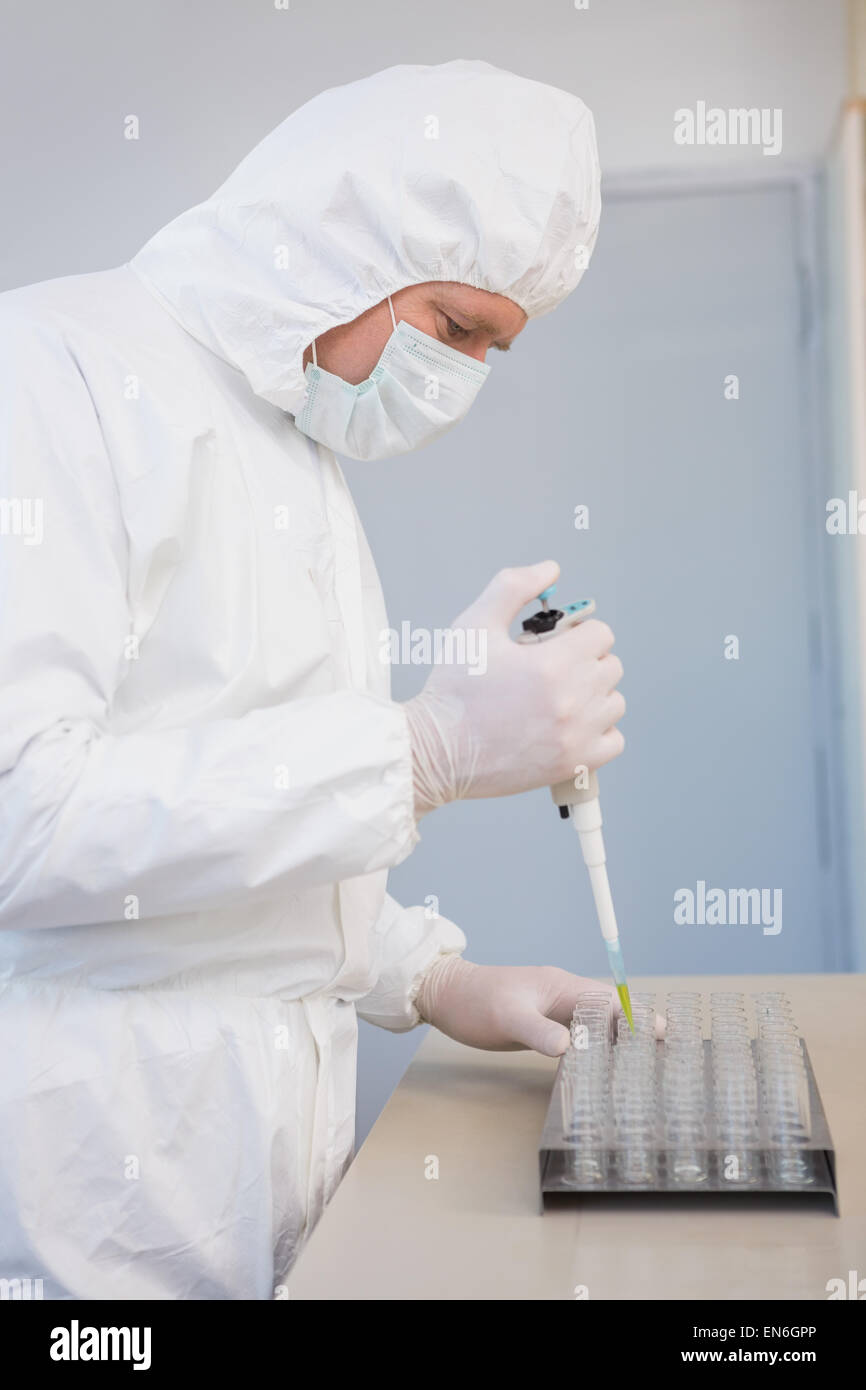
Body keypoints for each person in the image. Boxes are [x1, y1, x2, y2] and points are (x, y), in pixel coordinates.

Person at [0, 59, 624, 1300]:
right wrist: (420, 755)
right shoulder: (48, 375)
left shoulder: (295, 453)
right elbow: (27, 818)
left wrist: (434, 978)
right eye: (456, 330)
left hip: (268, 1201)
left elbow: (239, 863)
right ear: (341, 238)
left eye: (495, 350)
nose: (465, 379)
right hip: (83, 1231)